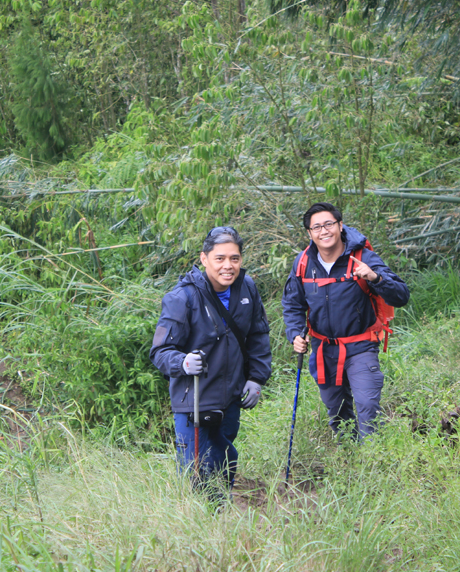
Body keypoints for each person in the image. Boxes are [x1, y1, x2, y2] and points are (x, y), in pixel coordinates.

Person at [151, 226, 272, 498]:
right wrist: (182, 362)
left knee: (224, 462)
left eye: (235, 259)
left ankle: (219, 523)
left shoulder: (247, 288)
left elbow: (258, 336)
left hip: (231, 397)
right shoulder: (182, 297)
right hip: (193, 398)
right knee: (194, 471)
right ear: (204, 259)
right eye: (220, 258)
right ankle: (195, 526)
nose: (228, 266)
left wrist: (256, 378)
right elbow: (160, 352)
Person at [282, 202, 409, 441]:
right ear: (309, 233)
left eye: (329, 224)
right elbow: (293, 304)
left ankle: (373, 460)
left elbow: (401, 295)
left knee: (367, 407)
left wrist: (374, 276)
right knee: (338, 413)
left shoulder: (363, 257)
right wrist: (296, 334)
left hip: (361, 346)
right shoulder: (303, 263)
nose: (324, 231)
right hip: (323, 350)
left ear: (340, 226)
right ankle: (348, 460)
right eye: (316, 227)